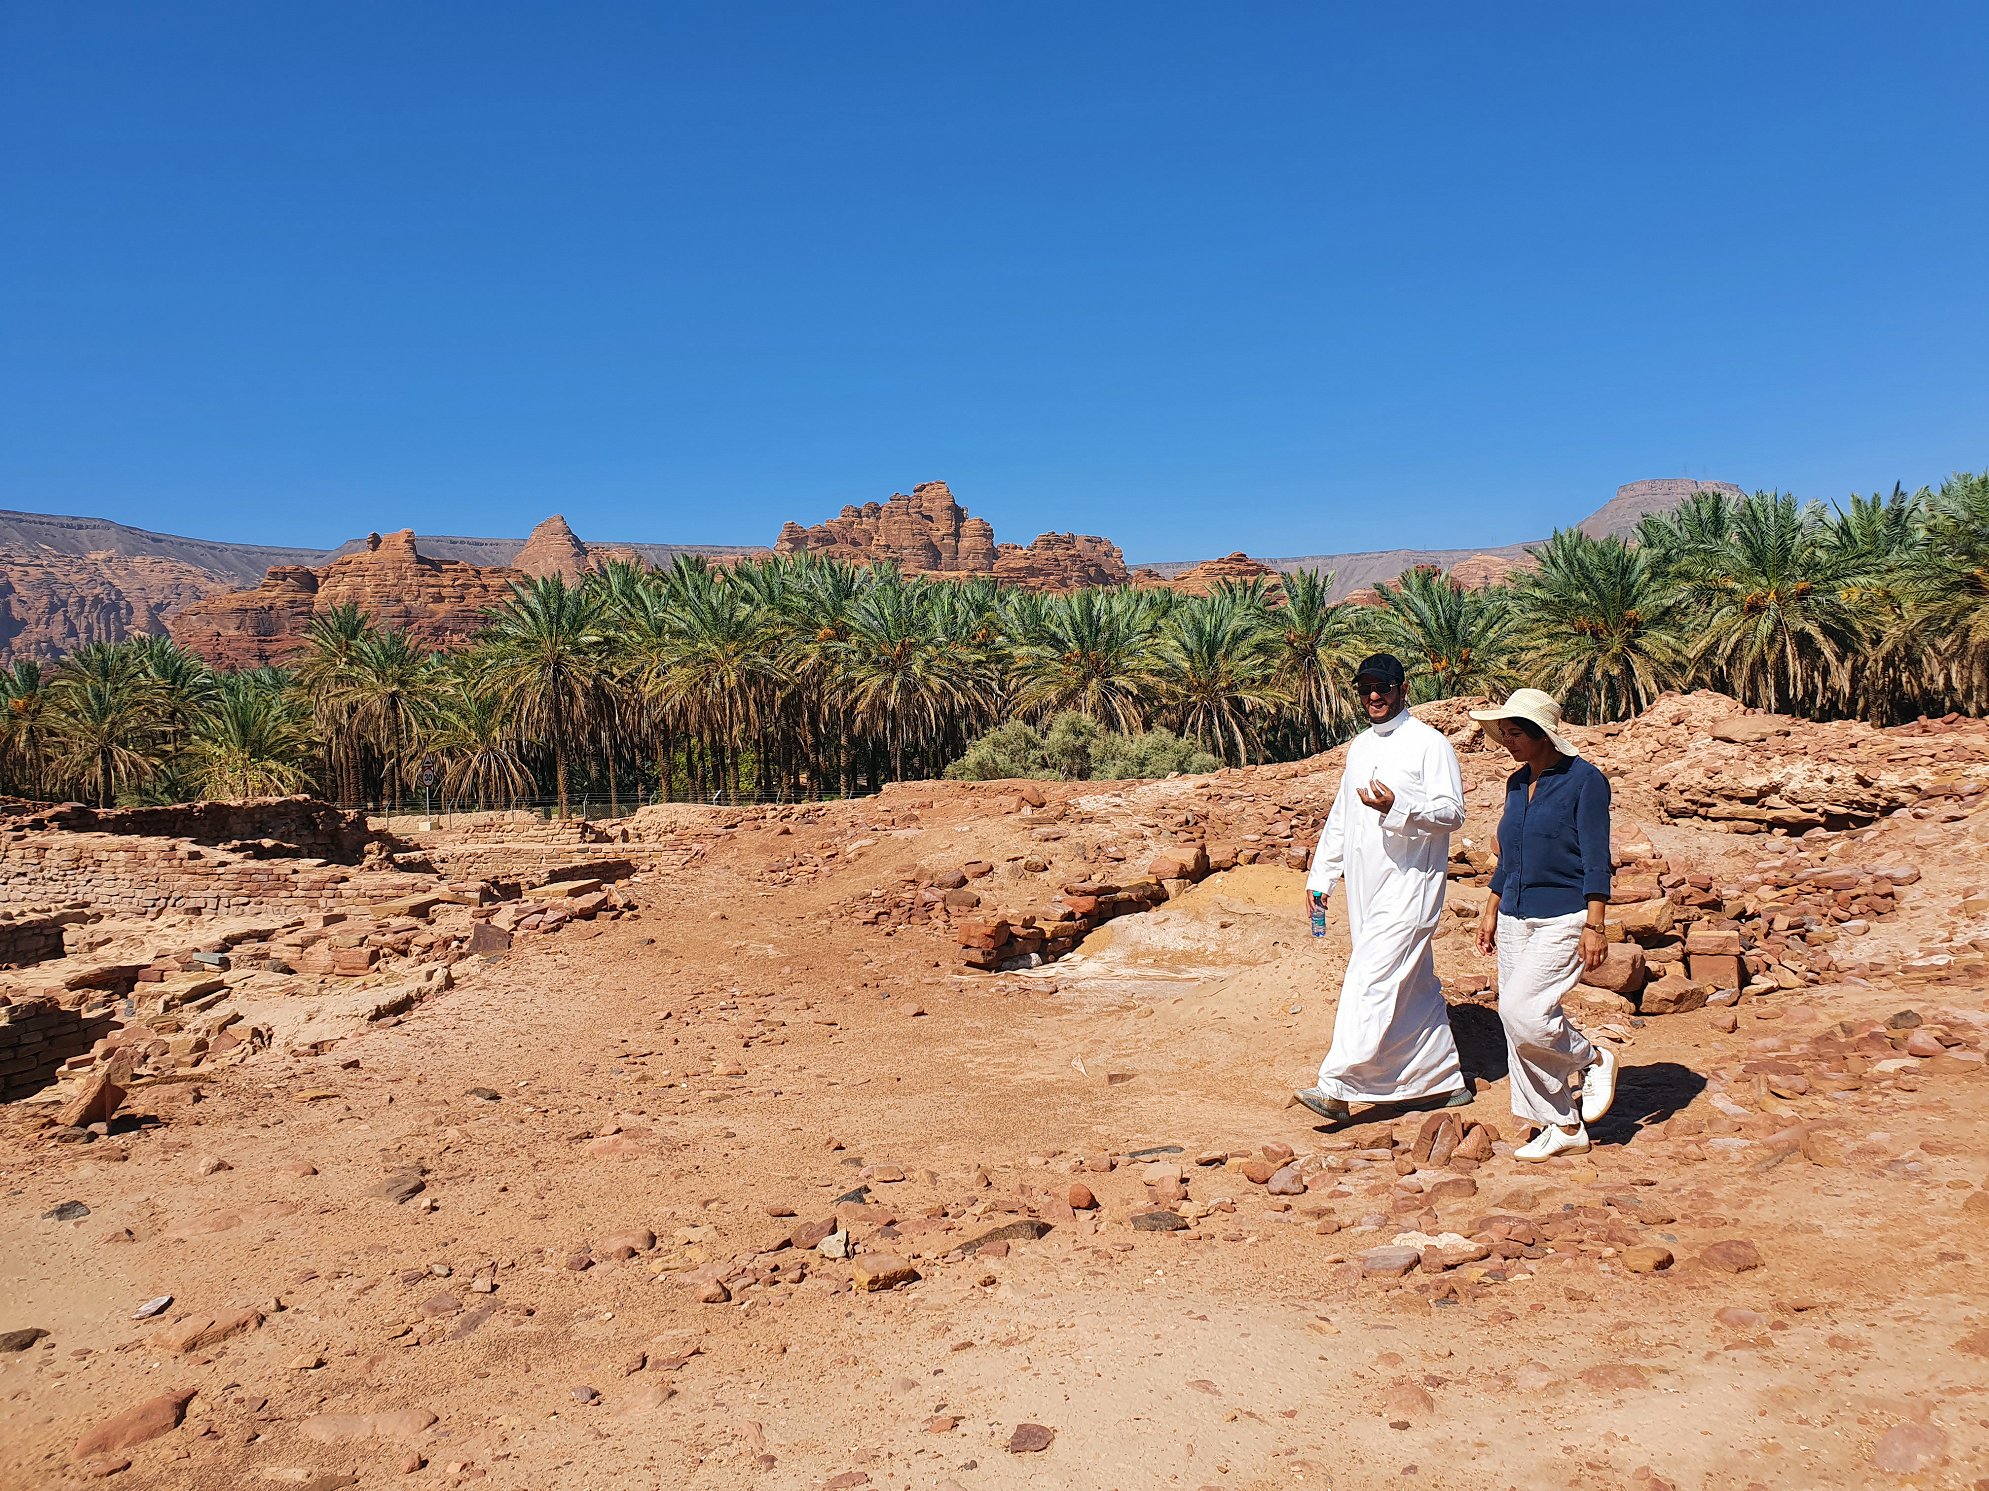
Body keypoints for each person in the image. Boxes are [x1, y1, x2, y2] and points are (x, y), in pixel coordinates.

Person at [1293, 653, 1470, 1125]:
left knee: (1368, 978)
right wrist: (1321, 877)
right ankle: (1438, 1080)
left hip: (1412, 888)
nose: (1375, 696)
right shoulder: (1359, 747)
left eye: (1384, 687)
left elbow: (1453, 813)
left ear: (1402, 689)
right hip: (1367, 891)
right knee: (1411, 986)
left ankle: (1337, 1086)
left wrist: (1401, 806)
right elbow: (1342, 818)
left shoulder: (1430, 745)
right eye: (1366, 687)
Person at [1468, 688, 1620, 1161]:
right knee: (1518, 1028)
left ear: (1542, 734)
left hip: (1565, 914)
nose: (1508, 742)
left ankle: (1592, 1058)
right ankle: (1562, 1124)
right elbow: (1510, 853)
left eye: (1516, 733)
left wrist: (1596, 925)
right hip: (1514, 913)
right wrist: (1491, 906)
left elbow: (1597, 857)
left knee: (1520, 1010)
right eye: (1505, 734)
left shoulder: (1585, 781)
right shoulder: (1516, 784)